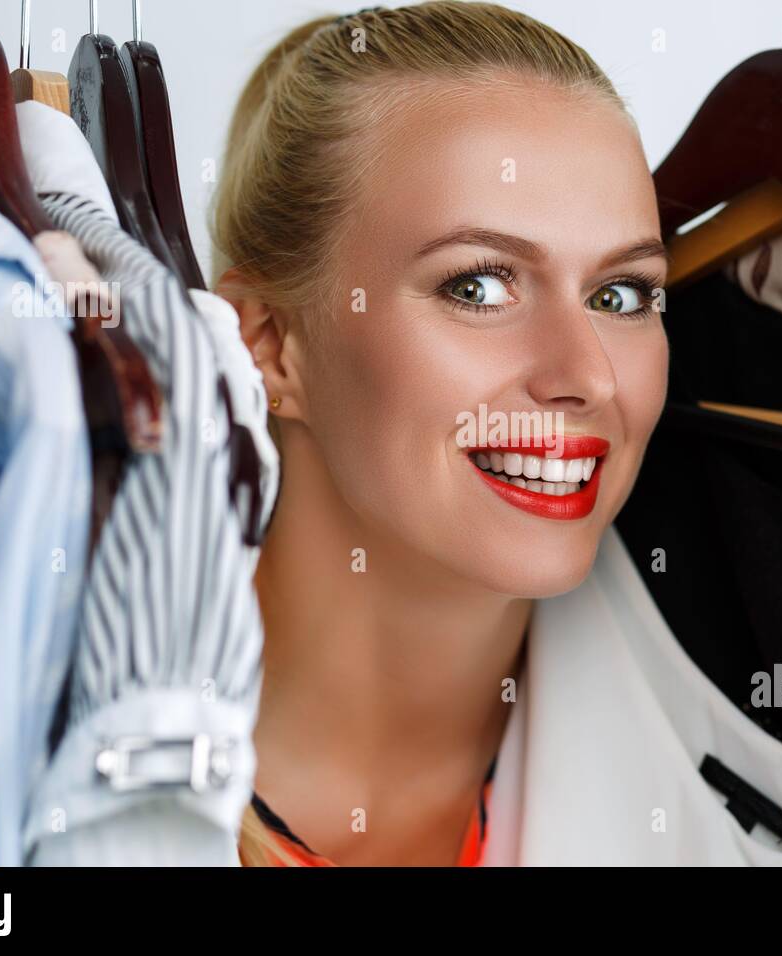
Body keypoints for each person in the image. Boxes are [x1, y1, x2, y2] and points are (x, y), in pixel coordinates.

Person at [211, 0, 670, 866]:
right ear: (268, 344)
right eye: (479, 288)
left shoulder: (736, 741)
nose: (586, 377)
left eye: (621, 296)